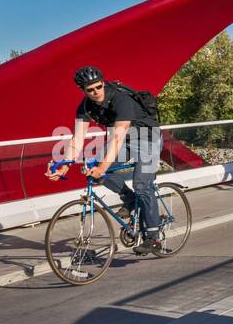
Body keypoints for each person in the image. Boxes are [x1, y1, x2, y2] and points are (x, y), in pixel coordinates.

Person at [50, 66, 163, 254]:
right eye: (90, 89)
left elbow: (117, 137)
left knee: (142, 185)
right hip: (125, 141)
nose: (96, 92)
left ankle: (153, 238)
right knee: (91, 168)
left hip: (147, 138)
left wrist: (103, 167)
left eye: (98, 86)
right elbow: (77, 139)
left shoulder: (121, 100)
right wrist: (64, 165)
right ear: (83, 90)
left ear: (103, 82)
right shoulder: (85, 107)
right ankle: (129, 199)